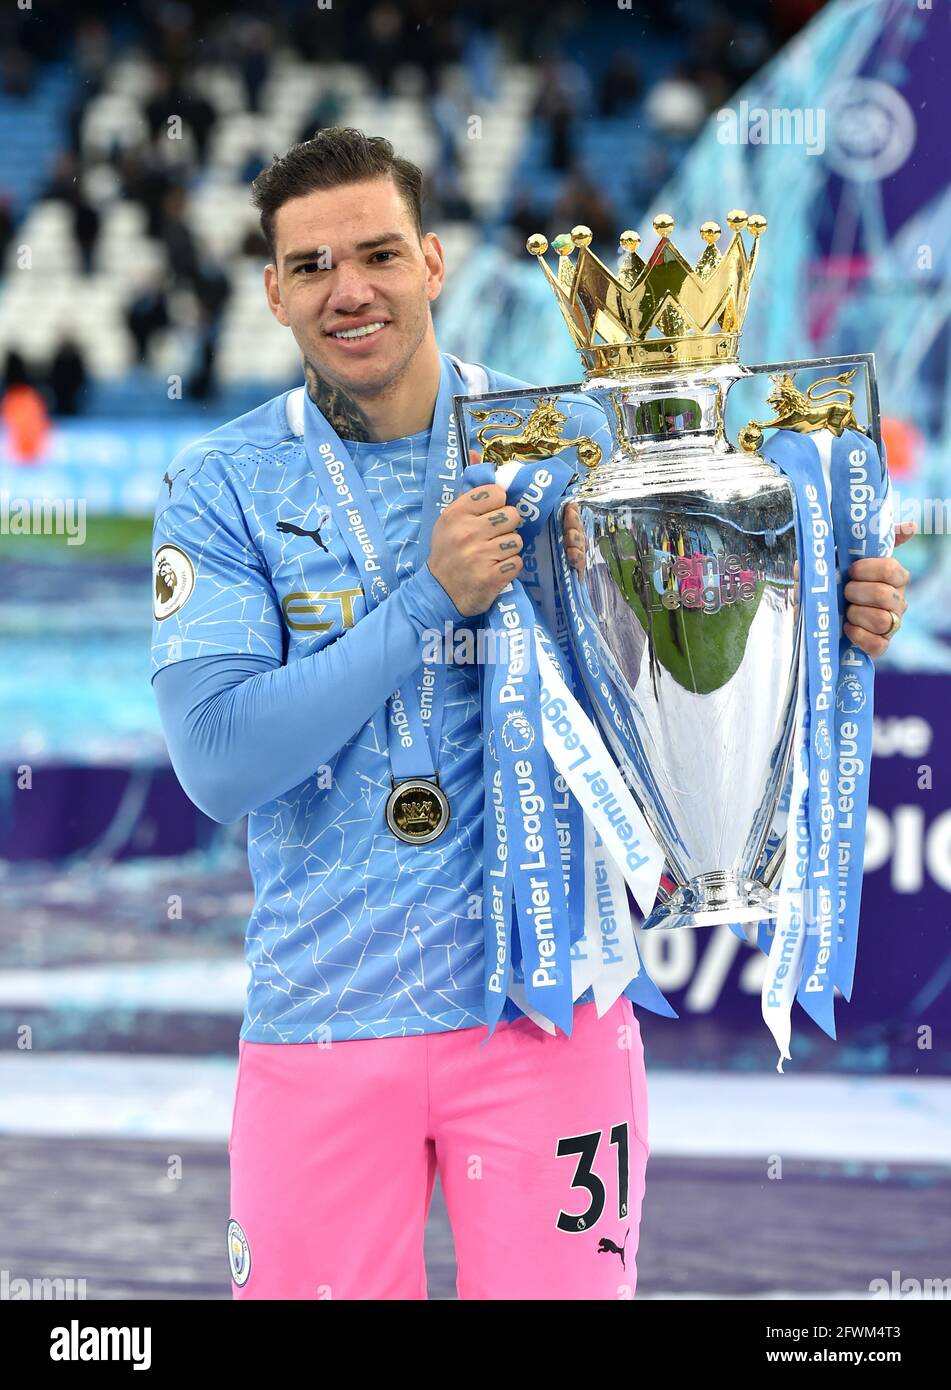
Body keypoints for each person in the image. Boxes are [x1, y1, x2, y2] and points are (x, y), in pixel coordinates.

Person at [149, 128, 913, 1301]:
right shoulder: (224, 482)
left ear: (436, 263)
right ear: (272, 290)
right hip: (323, 1020)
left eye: (379, 254)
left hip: (550, 1014)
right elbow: (217, 760)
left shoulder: (570, 448)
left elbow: (697, 674)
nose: (349, 290)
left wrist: (825, 621)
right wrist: (424, 603)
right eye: (311, 267)